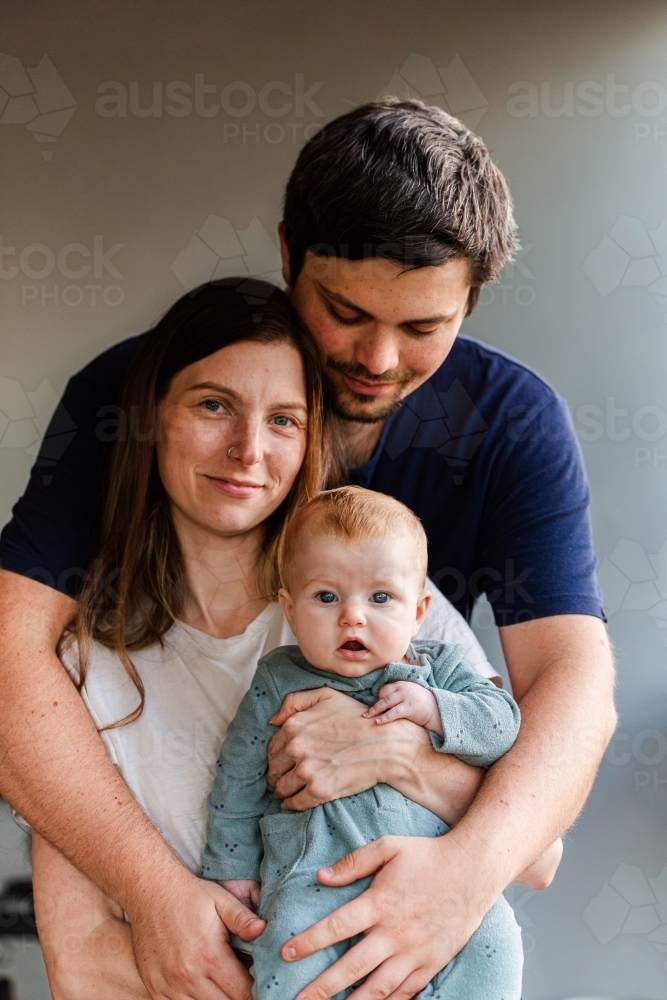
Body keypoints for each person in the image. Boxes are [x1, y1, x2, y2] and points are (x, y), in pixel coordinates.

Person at [0, 99, 615, 1000]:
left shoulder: (511, 425)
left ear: (471, 299)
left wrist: (459, 876)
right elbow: (14, 652)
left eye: (422, 329)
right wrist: (153, 892)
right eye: (345, 312)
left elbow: (574, 686)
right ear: (288, 255)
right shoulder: (141, 393)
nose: (376, 359)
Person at [29, 280, 518, 1000]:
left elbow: (536, 856)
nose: (247, 449)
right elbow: (80, 962)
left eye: (284, 420)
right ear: (151, 418)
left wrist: (394, 754)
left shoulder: (387, 597)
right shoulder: (81, 659)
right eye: (213, 405)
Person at [204, 486, 524, 1000]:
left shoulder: (436, 668)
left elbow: (502, 724)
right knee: (287, 948)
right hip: (314, 876)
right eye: (326, 596)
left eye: (380, 598)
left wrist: (436, 710)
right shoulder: (278, 681)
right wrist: (232, 867)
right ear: (289, 607)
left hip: (434, 872)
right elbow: (237, 774)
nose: (353, 617)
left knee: (495, 941)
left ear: (419, 612)